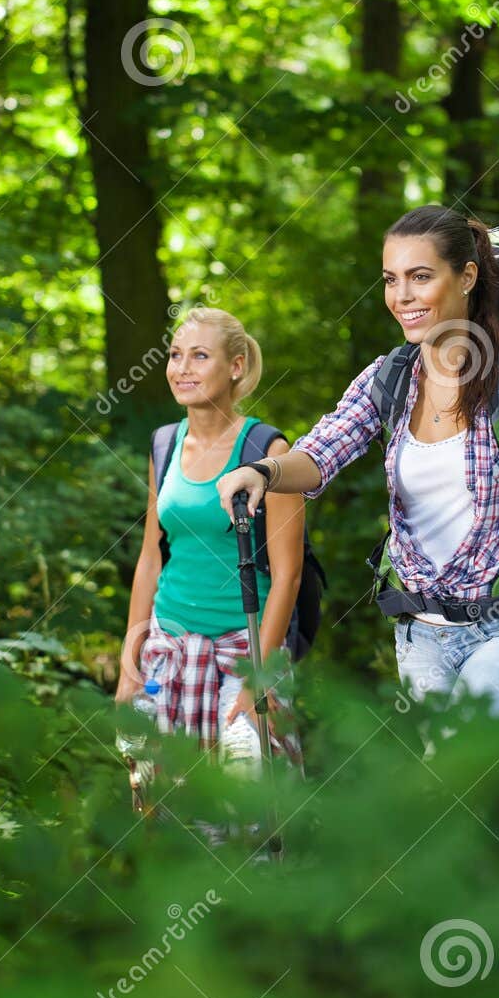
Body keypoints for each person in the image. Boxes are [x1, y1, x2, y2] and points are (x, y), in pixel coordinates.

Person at [216, 205, 499, 736]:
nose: (401, 297)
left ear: (467, 277)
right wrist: (264, 471)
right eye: (391, 280)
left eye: (420, 277)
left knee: (454, 762)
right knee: (451, 807)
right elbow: (320, 453)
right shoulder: (392, 377)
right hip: (419, 638)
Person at [115, 308, 304, 771]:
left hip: (244, 649)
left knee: (251, 801)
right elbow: (150, 559)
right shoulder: (164, 444)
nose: (182, 368)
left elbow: (288, 576)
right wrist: (128, 662)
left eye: (199, 356)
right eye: (176, 355)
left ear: (235, 366)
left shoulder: (268, 451)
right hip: (169, 646)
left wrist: (257, 679)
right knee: (167, 795)